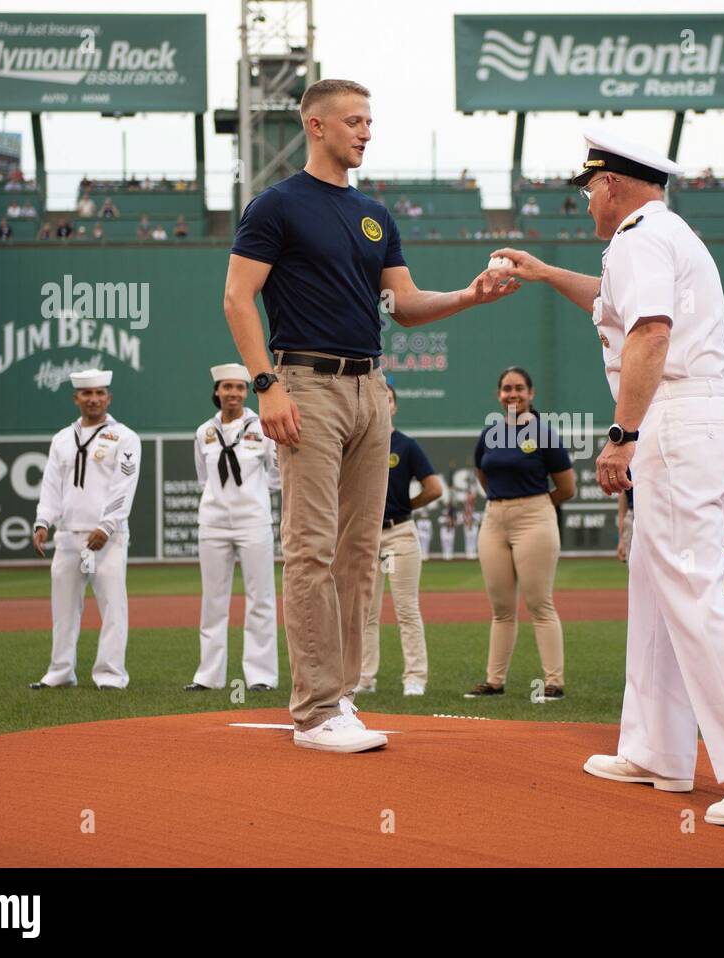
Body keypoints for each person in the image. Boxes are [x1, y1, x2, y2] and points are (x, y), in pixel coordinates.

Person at [489, 129, 724, 825]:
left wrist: (622, 435)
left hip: (673, 417)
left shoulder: (638, 239)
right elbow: (615, 307)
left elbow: (650, 335)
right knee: (657, 583)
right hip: (698, 416)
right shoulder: (659, 234)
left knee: (692, 586)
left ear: (611, 185)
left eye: (588, 189)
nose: (586, 201)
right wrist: (546, 273)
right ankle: (655, 751)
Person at [223, 77, 520, 755]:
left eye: (369, 121)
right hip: (305, 381)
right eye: (354, 120)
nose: (365, 131)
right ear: (317, 127)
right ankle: (314, 710)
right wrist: (266, 385)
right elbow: (238, 298)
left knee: (360, 554)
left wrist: (469, 296)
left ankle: (342, 696)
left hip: (369, 387)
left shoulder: (373, 214)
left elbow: (406, 304)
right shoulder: (275, 206)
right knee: (310, 549)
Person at [463, 367, 575, 701]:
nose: (513, 394)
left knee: (539, 603)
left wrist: (538, 506)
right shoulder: (490, 433)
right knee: (501, 608)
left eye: (519, 389)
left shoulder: (544, 433)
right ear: (499, 395)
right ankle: (494, 682)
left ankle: (553, 682)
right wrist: (502, 501)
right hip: (495, 517)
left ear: (531, 394)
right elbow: (482, 472)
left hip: (535, 516)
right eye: (507, 389)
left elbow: (567, 487)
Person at [30, 369, 140, 690]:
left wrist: (107, 525)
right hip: (67, 536)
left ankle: (110, 675)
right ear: (76, 398)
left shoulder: (125, 437)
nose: (94, 399)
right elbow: (51, 485)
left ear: (109, 397)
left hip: (108, 536)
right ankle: (60, 672)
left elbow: (124, 485)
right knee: (63, 609)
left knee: (113, 607)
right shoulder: (62, 439)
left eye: (100, 393)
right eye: (87, 394)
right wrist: (42, 522)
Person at [187, 363, 280, 693]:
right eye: (227, 387)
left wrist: (252, 496)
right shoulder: (204, 432)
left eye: (240, 388)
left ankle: (260, 676)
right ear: (217, 392)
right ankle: (208, 675)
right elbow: (203, 477)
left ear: (247, 392)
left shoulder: (263, 427)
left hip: (253, 521)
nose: (233, 394)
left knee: (261, 598)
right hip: (212, 521)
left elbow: (276, 474)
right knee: (213, 599)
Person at [358, 382, 442, 697]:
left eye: (389, 398)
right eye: (379, 398)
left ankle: (415, 677)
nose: (384, 403)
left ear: (393, 406)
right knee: (365, 612)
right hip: (366, 536)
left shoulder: (405, 446)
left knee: (406, 609)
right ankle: (364, 677)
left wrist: (406, 506)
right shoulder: (358, 445)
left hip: (398, 534)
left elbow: (434, 487)